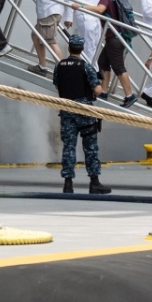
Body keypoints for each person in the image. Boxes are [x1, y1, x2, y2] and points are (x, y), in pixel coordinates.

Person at [52, 34, 111, 195]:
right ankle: (94, 183)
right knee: (90, 148)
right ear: (82, 49)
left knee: (68, 148)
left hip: (66, 111)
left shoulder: (59, 66)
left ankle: (68, 184)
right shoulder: (86, 67)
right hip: (85, 113)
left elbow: (57, 85)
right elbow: (97, 91)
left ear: (69, 48)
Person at [95, 0, 141, 107]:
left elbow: (100, 9)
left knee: (118, 67)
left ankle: (129, 96)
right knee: (103, 62)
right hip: (116, 37)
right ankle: (104, 92)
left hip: (114, 38)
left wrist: (81, 6)